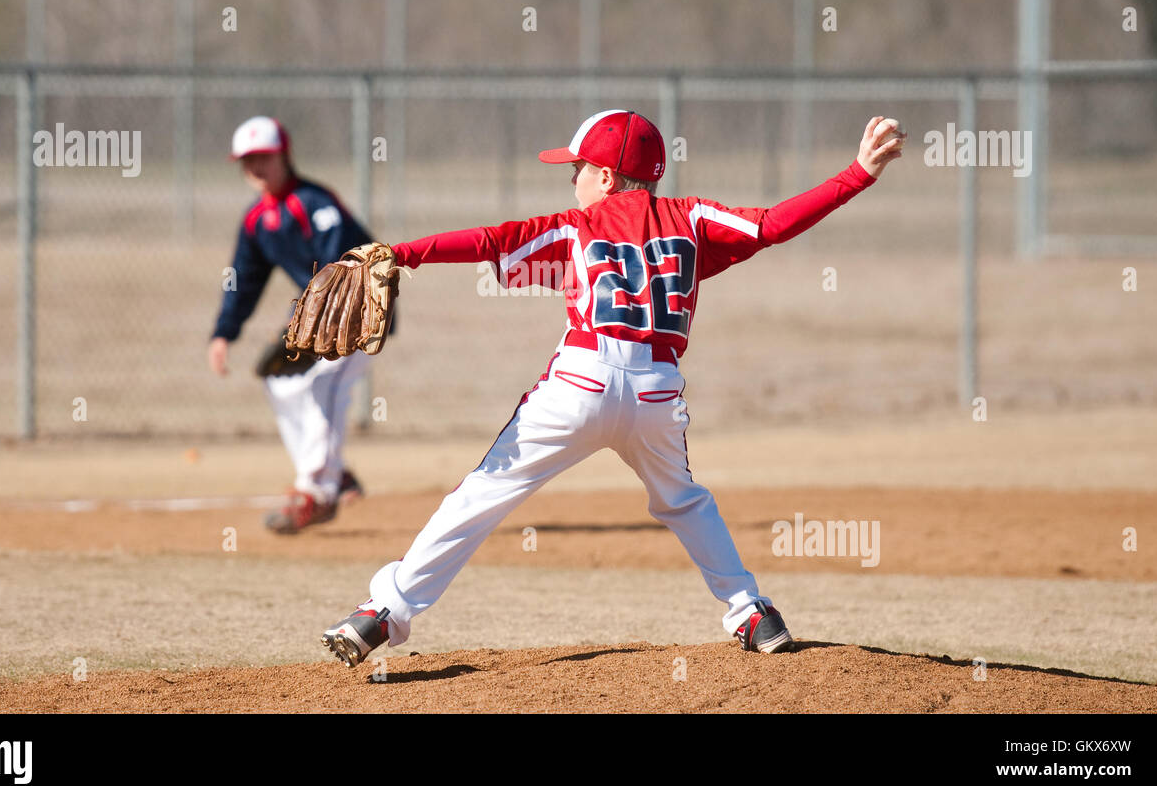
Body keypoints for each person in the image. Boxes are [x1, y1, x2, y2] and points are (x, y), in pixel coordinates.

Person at [320, 110, 905, 666]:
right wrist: (856, 175)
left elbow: (492, 241)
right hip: (656, 392)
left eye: (576, 169)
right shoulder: (693, 219)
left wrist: (402, 254)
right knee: (684, 502)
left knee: (482, 493)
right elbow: (774, 224)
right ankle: (753, 613)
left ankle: (382, 612)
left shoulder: (577, 226)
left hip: (582, 382)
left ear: (604, 176)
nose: (572, 179)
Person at [209, 115, 379, 534]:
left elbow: (342, 265)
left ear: (284, 156)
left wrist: (302, 319)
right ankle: (332, 475)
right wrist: (223, 333)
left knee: (322, 385)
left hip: (361, 310)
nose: (255, 167)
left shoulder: (313, 203)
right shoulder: (257, 221)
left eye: (263, 157)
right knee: (279, 380)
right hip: (316, 317)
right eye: (246, 160)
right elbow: (243, 279)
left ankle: (315, 493)